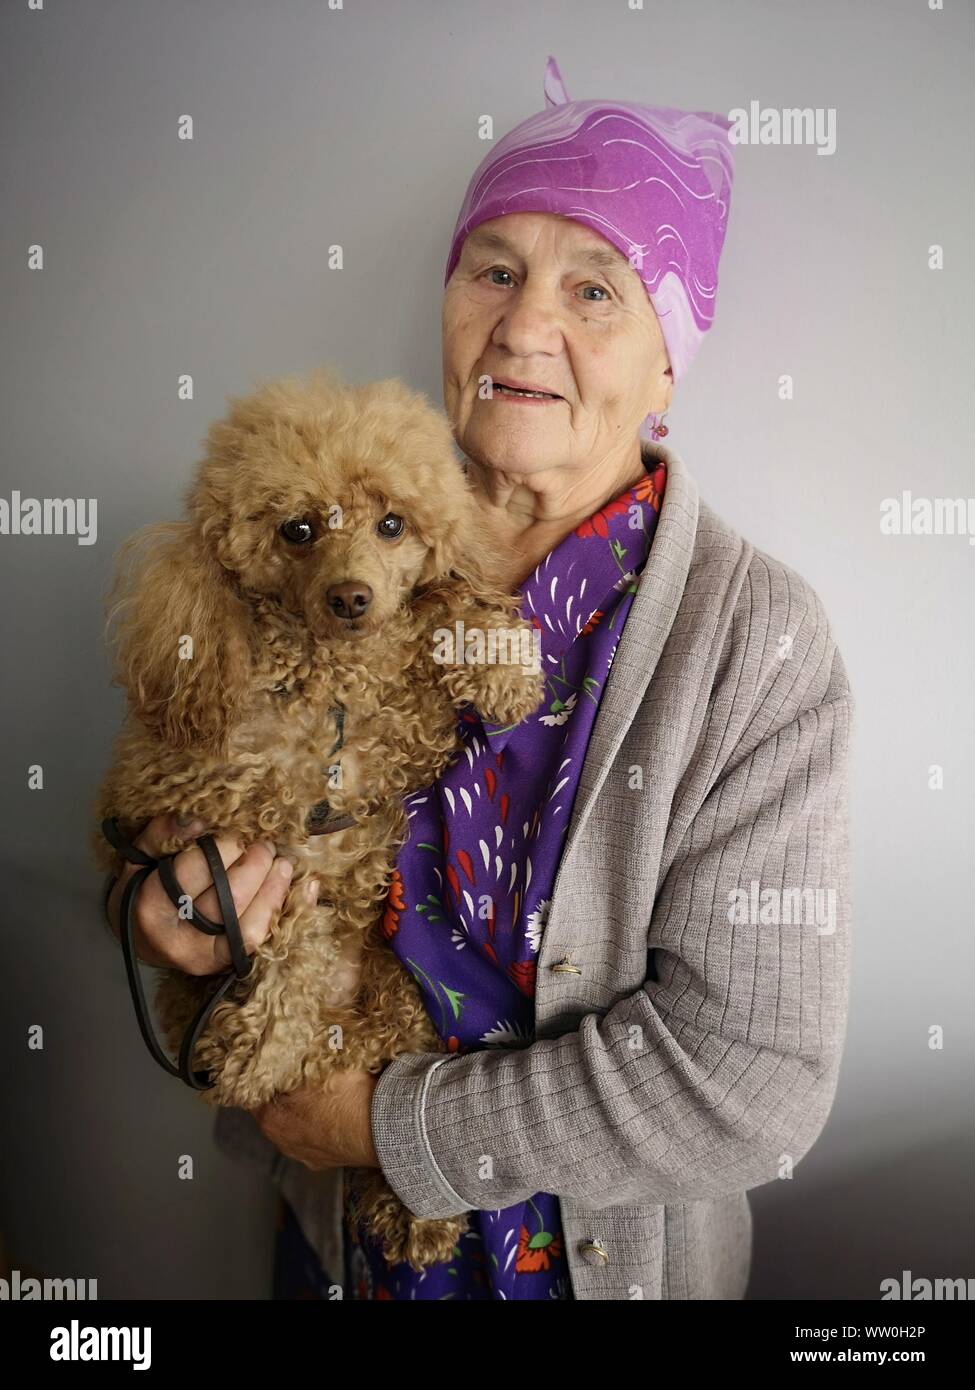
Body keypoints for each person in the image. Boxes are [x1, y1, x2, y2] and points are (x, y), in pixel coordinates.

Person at [106, 57, 853, 1301]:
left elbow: (749, 1081)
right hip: (332, 1249)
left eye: (594, 289)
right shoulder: (322, 526)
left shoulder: (758, 645)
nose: (522, 325)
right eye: (493, 271)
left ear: (669, 365)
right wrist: (157, 902)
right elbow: (179, 790)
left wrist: (384, 1127)